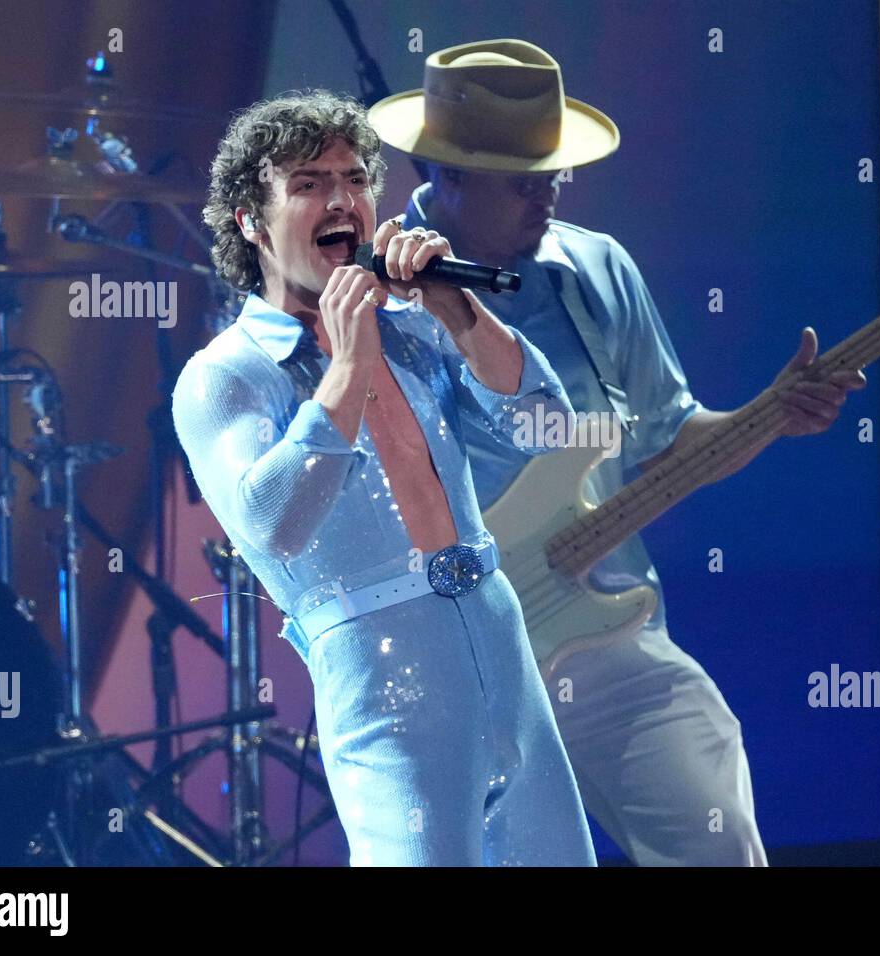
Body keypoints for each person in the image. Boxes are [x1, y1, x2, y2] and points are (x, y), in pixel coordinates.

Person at [370, 40, 866, 866]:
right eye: (524, 181)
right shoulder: (370, 291)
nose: (548, 196)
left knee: (717, 839)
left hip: (606, 635)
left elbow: (672, 440)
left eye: (554, 175)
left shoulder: (596, 266)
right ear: (444, 174)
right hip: (452, 659)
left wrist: (773, 415)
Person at [173, 89, 596, 866]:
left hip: (503, 648)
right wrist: (347, 362)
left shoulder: (415, 328)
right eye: (308, 184)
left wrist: (456, 308)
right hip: (386, 681)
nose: (342, 199)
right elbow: (273, 525)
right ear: (250, 222)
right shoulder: (224, 376)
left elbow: (550, 425)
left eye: (355, 179)